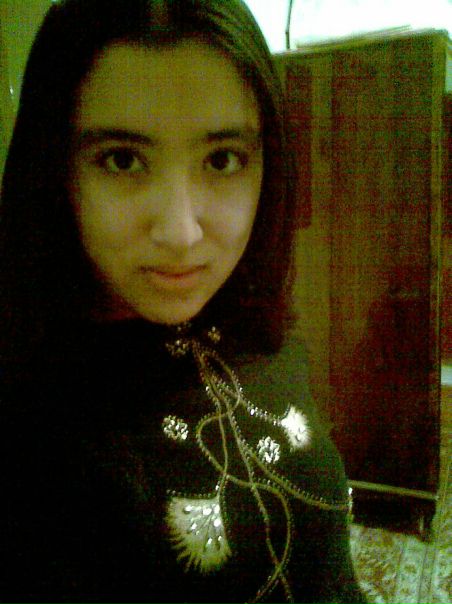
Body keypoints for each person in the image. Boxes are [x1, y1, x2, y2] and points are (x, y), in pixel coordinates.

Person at [0, 1, 367, 602]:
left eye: (222, 159)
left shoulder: (250, 320)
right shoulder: (33, 436)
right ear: (55, 170)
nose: (181, 233)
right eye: (122, 160)